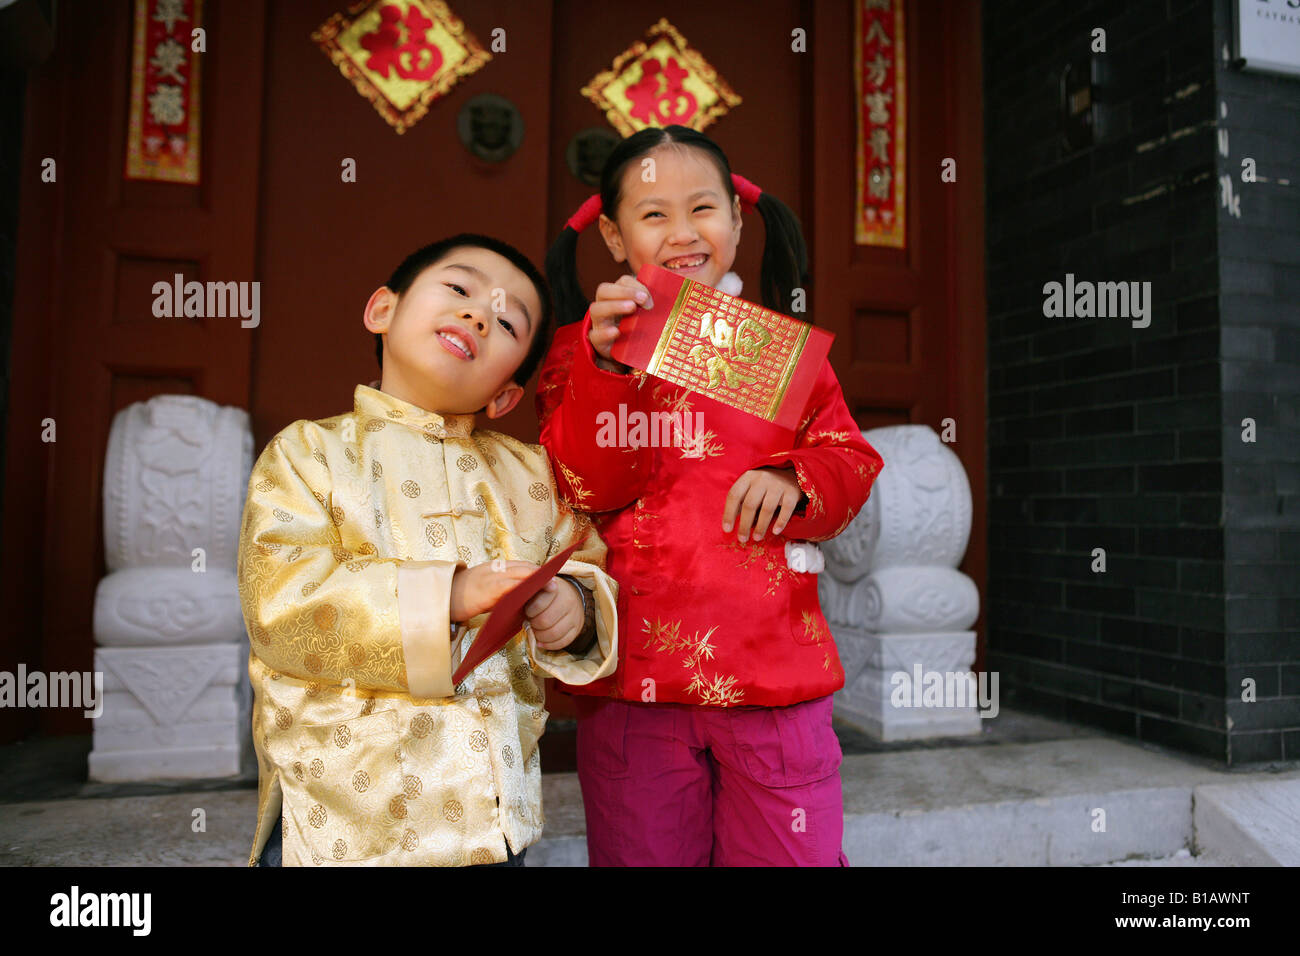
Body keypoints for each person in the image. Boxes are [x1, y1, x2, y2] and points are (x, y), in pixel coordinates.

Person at [538, 126, 883, 866]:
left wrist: (796, 478)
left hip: (774, 678)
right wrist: (606, 366)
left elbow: (849, 457)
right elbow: (586, 486)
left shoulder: (778, 348)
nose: (683, 232)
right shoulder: (579, 351)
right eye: (653, 214)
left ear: (736, 217)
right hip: (634, 683)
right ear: (611, 233)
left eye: (702, 208)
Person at [238, 233, 618, 867]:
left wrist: (574, 610)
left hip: (490, 823)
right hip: (339, 818)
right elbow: (281, 605)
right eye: (460, 289)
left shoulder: (531, 478)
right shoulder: (309, 455)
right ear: (382, 310)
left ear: (505, 397)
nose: (476, 315)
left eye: (505, 322)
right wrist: (449, 595)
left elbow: (582, 560)